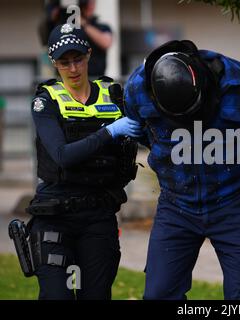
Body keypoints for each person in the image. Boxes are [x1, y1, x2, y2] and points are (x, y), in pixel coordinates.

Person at [124, 40, 240, 299]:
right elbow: (145, 135)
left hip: (236, 203)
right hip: (176, 204)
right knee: (158, 295)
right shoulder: (137, 89)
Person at [26, 23, 141, 300]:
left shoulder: (113, 95)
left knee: (97, 295)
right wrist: (110, 131)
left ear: (89, 54)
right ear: (54, 63)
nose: (73, 69)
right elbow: (63, 156)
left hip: (98, 214)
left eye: (78, 59)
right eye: (65, 63)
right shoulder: (46, 102)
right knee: (58, 296)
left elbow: (150, 134)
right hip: (55, 216)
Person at [38, 0, 112, 77]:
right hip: (66, 79)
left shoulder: (100, 26)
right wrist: (52, 17)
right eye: (88, 3)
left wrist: (83, 24)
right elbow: (45, 41)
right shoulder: (61, 26)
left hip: (95, 77)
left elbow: (106, 42)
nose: (90, 5)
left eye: (91, 2)